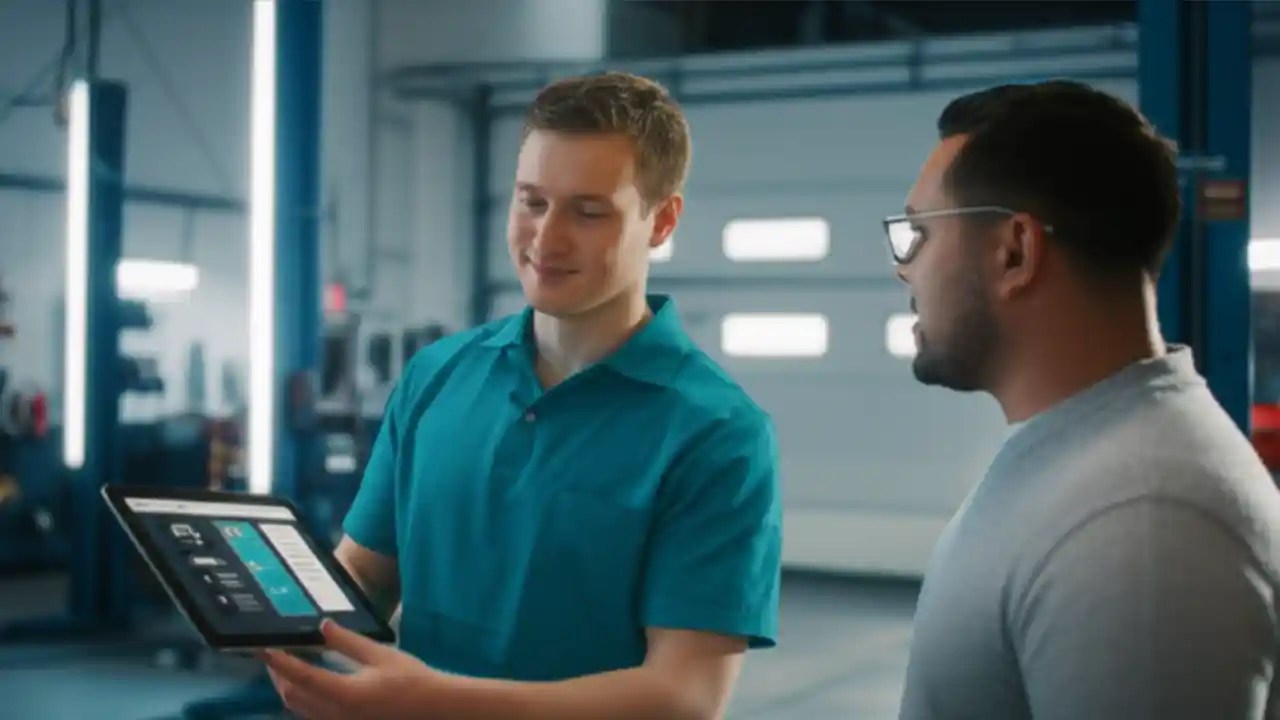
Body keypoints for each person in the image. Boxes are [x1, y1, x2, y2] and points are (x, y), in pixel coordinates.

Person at [265, 71, 782, 719]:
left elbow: (683, 697)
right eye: (532, 202)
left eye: (589, 212)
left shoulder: (717, 433)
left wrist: (436, 703)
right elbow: (361, 580)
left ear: (662, 220)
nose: (547, 238)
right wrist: (256, 607)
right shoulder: (437, 377)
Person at [889, 80, 1280, 719]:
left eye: (920, 233)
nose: (905, 267)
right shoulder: (1087, 457)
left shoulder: (1144, 526)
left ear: (1015, 251)